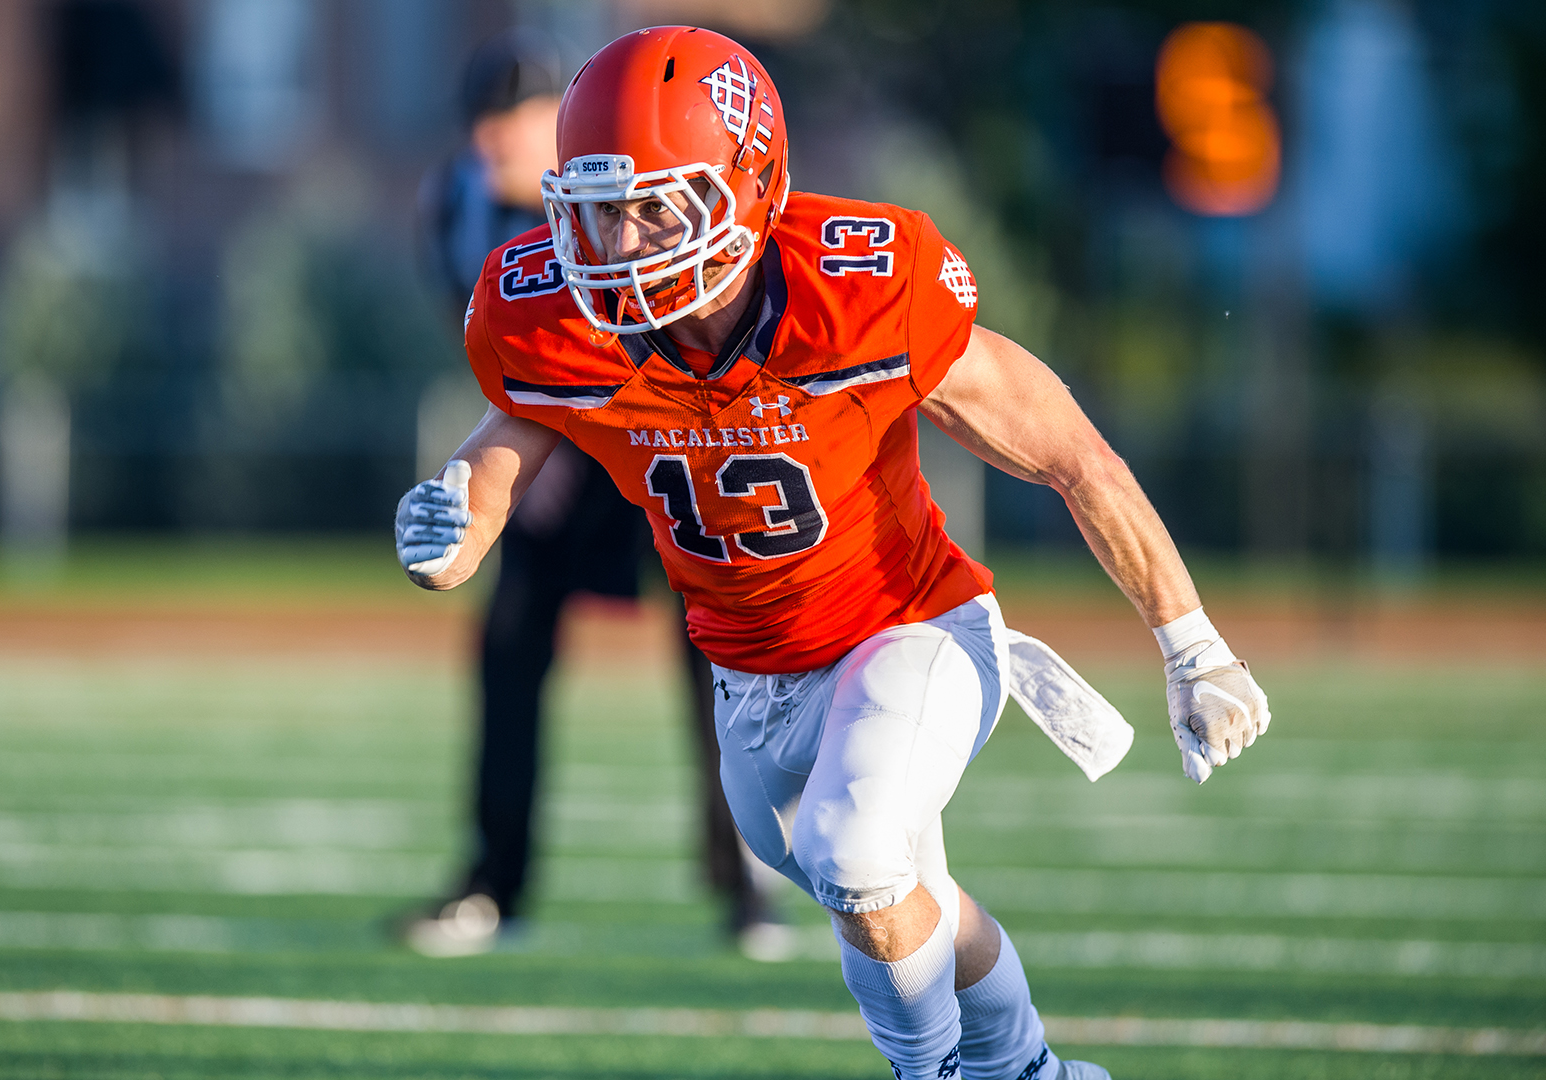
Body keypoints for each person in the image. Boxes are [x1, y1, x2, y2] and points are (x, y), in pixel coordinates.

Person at [396, 25, 1274, 1080]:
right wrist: (455, 525)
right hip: (748, 679)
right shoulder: (556, 317)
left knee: (854, 855)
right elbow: (510, 441)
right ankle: (1032, 1072)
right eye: (598, 209)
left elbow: (1070, 454)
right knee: (908, 899)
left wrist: (1192, 645)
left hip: (913, 629)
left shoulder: (859, 287)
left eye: (655, 205)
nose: (623, 243)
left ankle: (930, 1073)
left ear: (750, 184)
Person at [406, 30, 786, 959]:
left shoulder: (625, 196)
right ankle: (496, 881)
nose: (494, 141)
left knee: (715, 655)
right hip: (554, 459)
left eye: (514, 122)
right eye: (484, 126)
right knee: (507, 648)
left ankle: (745, 879)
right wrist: (520, 457)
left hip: (659, 445)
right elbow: (507, 360)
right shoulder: (456, 208)